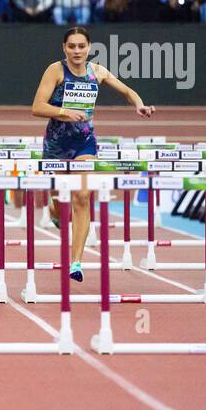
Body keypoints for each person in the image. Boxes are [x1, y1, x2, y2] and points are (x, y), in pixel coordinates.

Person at [31, 26, 154, 282]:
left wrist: (139, 105)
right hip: (56, 145)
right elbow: (37, 107)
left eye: (81, 46)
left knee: (83, 196)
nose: (77, 51)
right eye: (72, 46)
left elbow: (127, 91)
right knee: (58, 204)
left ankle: (75, 262)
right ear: (64, 48)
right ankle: (55, 213)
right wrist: (64, 112)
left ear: (89, 48)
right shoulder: (55, 71)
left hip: (85, 143)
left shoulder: (96, 71)